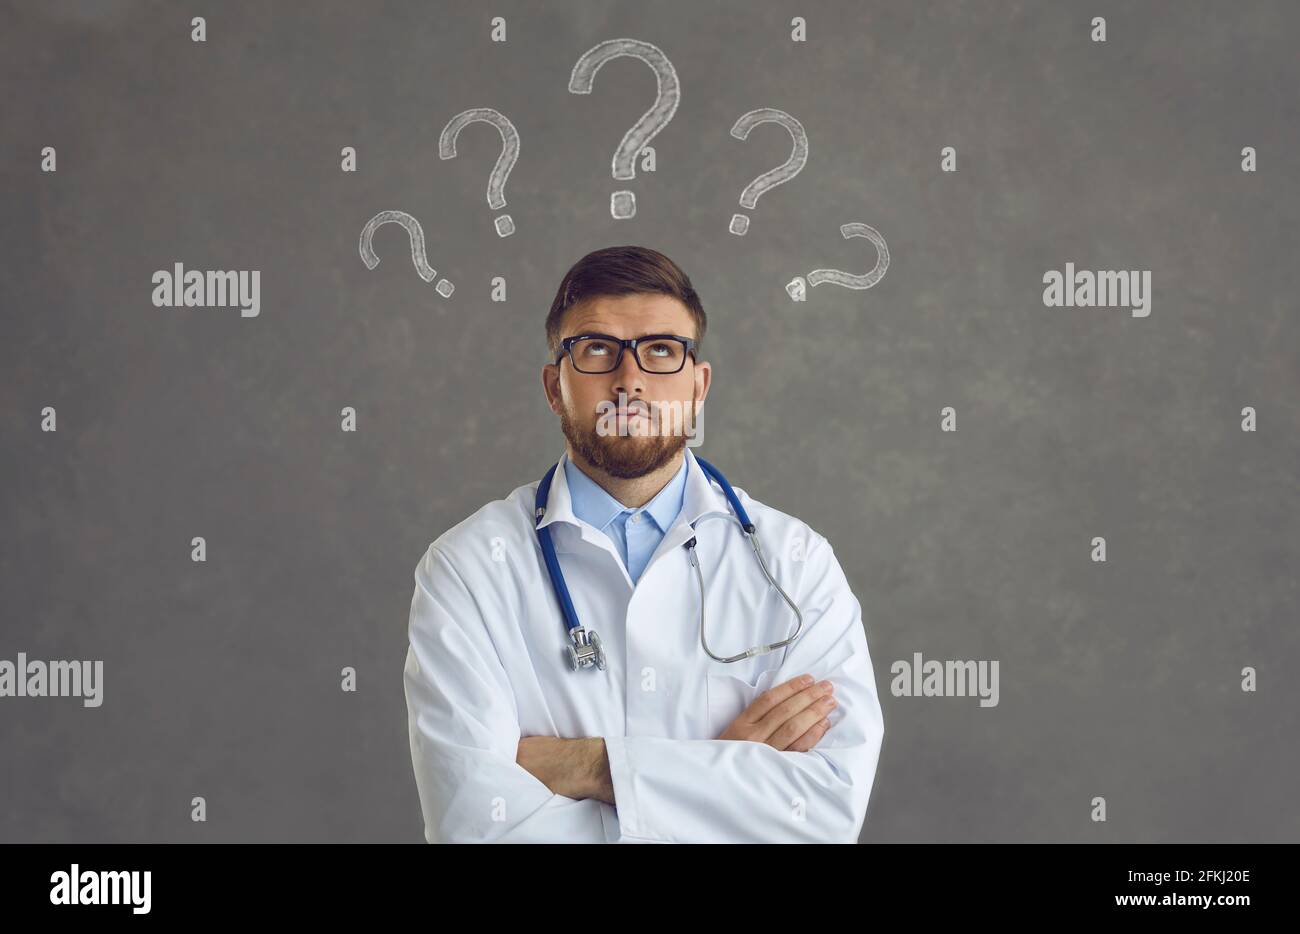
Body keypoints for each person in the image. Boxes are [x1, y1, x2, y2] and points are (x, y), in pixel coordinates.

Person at [402, 245, 884, 842]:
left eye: (661, 350)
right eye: (597, 350)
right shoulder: (467, 569)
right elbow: (476, 826)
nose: (630, 382)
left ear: (698, 385)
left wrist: (595, 766)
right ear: (555, 387)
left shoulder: (797, 564)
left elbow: (824, 815)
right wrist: (724, 769)